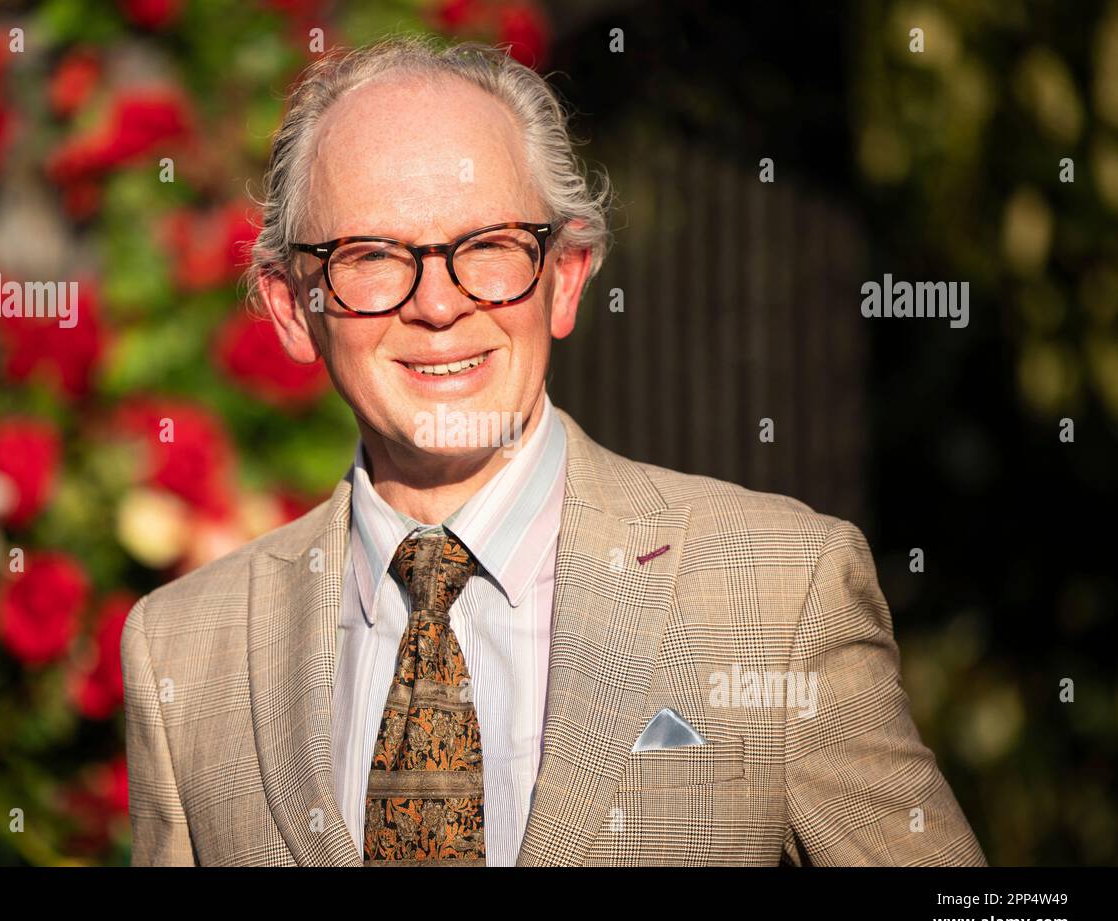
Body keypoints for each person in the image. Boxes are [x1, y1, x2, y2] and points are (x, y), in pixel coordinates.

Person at [122, 34, 986, 866]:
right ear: (289, 307)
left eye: (488, 248)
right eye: (373, 256)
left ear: (565, 279)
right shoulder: (185, 652)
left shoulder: (781, 594)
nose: (436, 304)